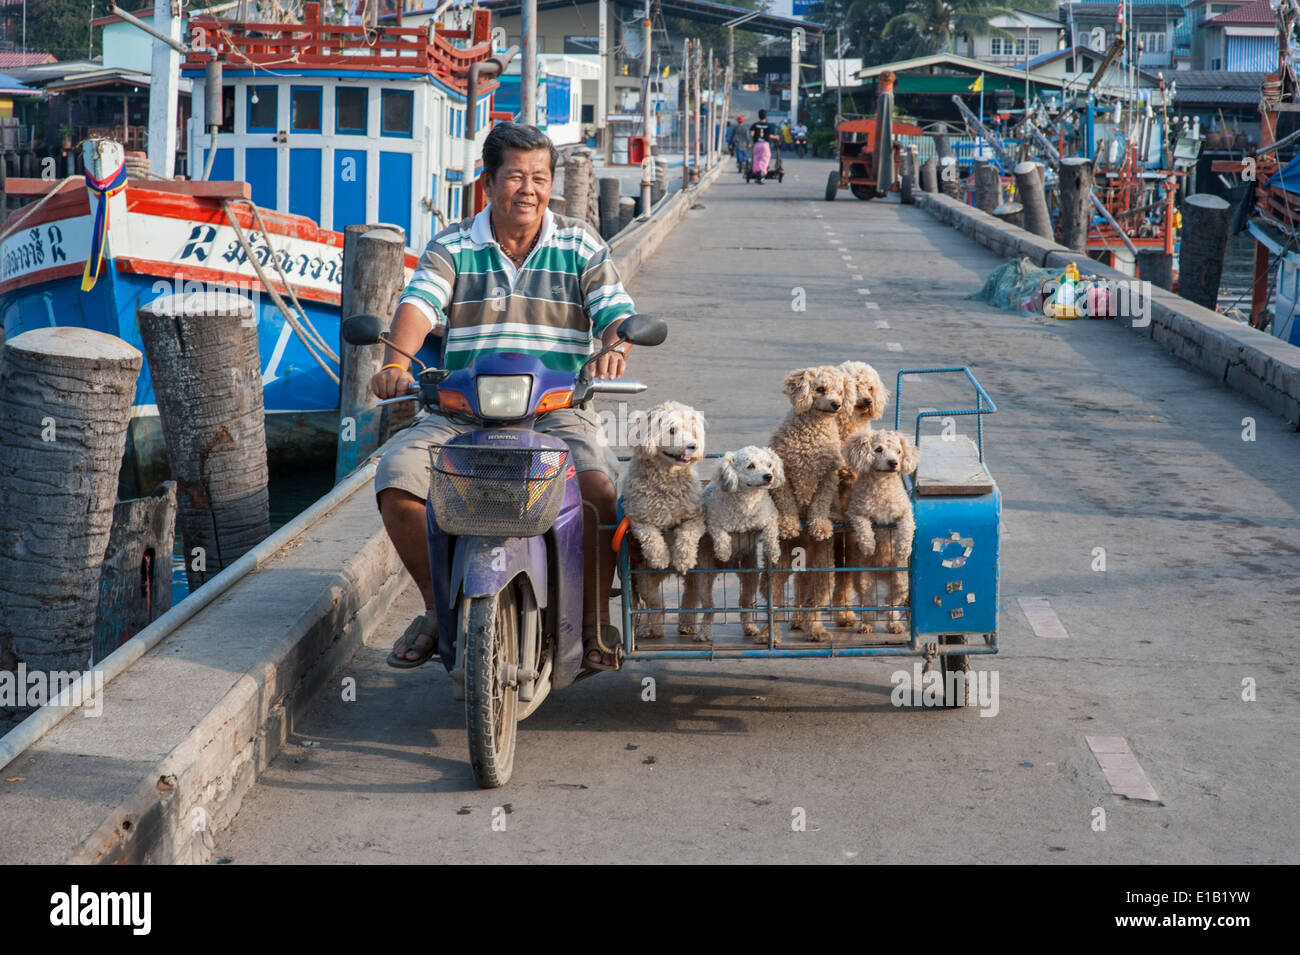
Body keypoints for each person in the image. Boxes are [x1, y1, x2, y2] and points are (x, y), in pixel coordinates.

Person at [371, 122, 635, 672]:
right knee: (398, 477)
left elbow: (615, 312)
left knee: (598, 487)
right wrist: (396, 362)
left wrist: (616, 345)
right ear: (488, 182)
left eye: (539, 177)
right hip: (460, 412)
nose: (528, 189)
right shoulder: (453, 245)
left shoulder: (579, 243)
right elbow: (420, 304)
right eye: (515, 176)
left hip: (557, 412)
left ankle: (590, 621)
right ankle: (436, 610)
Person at [749, 110, 775, 182]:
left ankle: (757, 172)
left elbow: (751, 134)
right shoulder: (768, 125)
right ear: (766, 116)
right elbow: (770, 136)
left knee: (756, 159)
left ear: (758, 116)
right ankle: (762, 171)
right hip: (765, 145)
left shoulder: (755, 125)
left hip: (757, 144)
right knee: (765, 158)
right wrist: (776, 137)